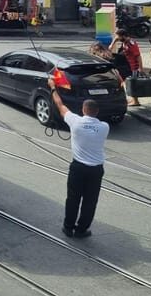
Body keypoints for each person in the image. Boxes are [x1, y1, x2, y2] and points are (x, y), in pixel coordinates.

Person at [48, 77, 110, 239]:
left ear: (83, 110)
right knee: (90, 201)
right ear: (97, 112)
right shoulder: (104, 127)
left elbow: (60, 105)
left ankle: (68, 227)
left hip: (78, 168)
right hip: (96, 169)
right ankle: (82, 229)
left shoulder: (75, 122)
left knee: (73, 198)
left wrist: (53, 87)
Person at [110, 29, 143, 106]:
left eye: (118, 36)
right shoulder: (124, 41)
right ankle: (134, 99)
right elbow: (115, 40)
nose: (117, 38)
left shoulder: (131, 44)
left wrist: (140, 68)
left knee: (133, 83)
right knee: (130, 82)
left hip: (134, 67)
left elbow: (138, 56)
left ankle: (136, 101)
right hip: (128, 65)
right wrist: (113, 43)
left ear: (123, 36)